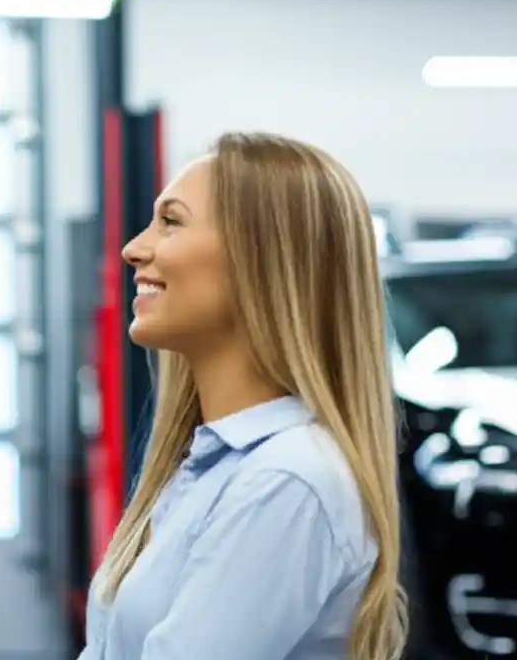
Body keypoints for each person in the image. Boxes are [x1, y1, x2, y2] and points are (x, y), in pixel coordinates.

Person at [79, 132, 407, 659]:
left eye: (171, 221)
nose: (133, 248)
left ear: (261, 259)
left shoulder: (286, 480)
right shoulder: (214, 468)